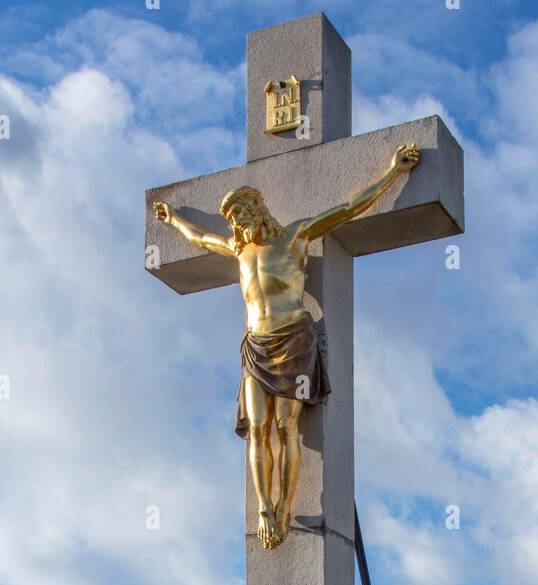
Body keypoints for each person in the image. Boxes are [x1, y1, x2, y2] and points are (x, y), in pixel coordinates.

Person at [154, 142, 420, 549]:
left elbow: (349, 208)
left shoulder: (296, 236)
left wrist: (393, 171)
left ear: (257, 209)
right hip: (256, 346)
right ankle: (264, 507)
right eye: (232, 218)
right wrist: (173, 218)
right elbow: (201, 238)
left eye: (241, 213)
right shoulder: (239, 249)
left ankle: (284, 508)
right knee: (257, 429)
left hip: (293, 340)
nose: (237, 223)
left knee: (285, 426)